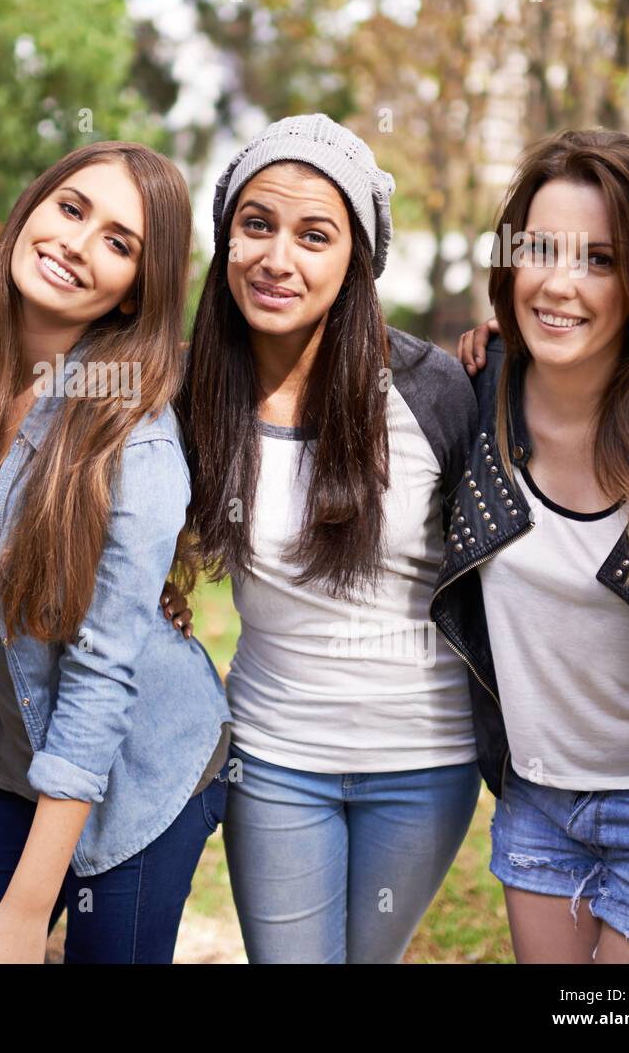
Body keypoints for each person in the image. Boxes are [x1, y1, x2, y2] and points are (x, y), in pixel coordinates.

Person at [0, 142, 232, 964]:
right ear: (33, 208)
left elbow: (98, 678)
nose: (79, 244)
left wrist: (25, 908)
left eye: (120, 243)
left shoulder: (132, 443)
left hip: (142, 765)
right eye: (72, 209)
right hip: (26, 762)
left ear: (134, 292)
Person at [179, 114, 480, 963]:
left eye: (316, 234)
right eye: (257, 225)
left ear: (357, 258)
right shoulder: (190, 390)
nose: (279, 258)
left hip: (422, 762)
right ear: (227, 238)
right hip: (273, 758)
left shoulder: (437, 392)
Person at [437, 129, 629, 963]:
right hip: (539, 802)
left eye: (599, 259)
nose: (560, 283)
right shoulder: (478, 398)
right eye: (541, 249)